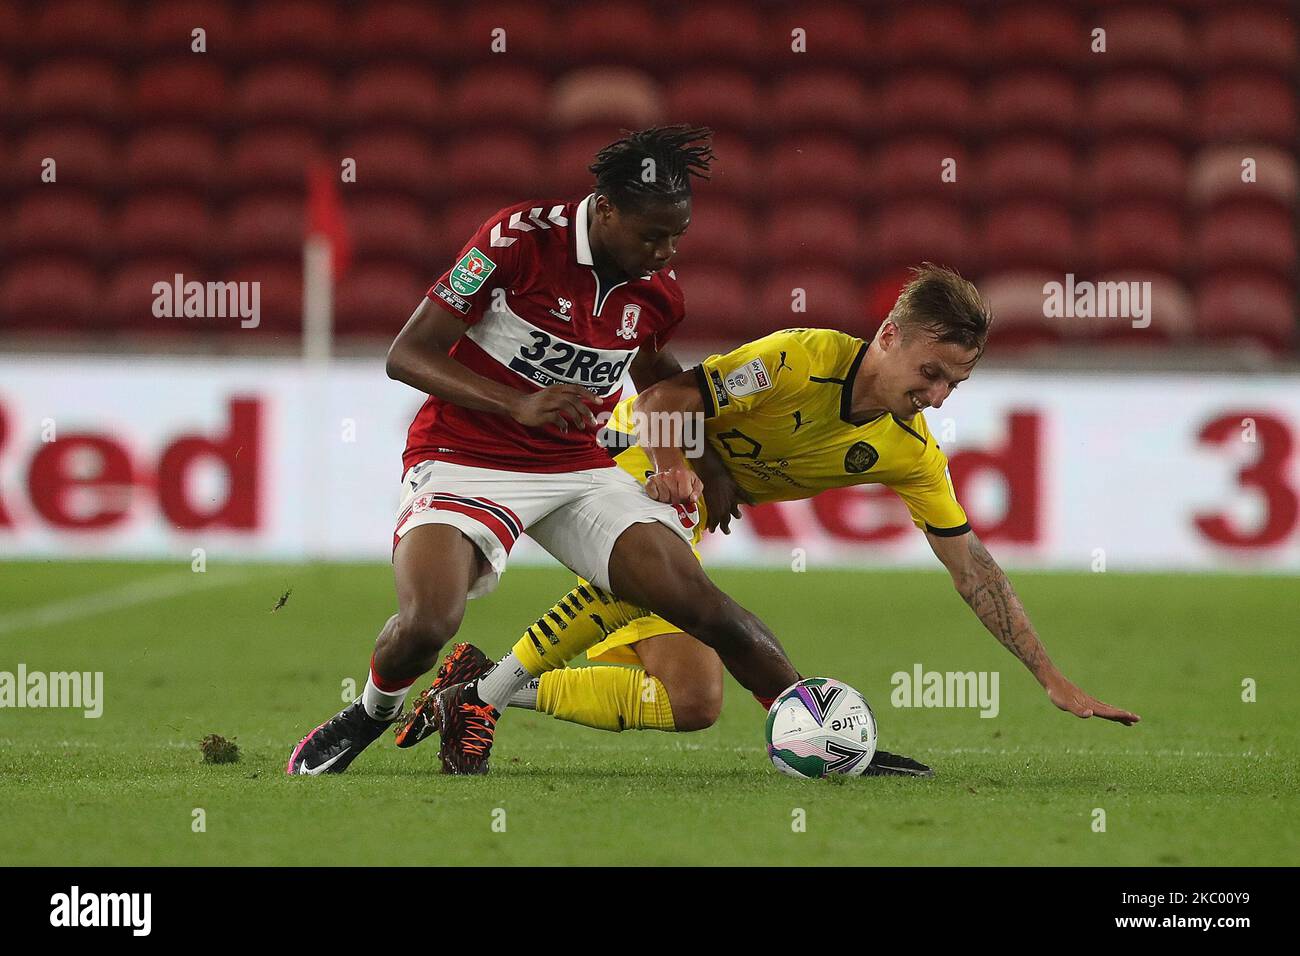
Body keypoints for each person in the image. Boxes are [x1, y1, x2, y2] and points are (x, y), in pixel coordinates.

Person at [397, 265, 1140, 775]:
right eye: (931, 372)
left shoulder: (909, 453)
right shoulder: (799, 359)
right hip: (623, 457)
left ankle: (483, 683)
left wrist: (1050, 676)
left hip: (681, 490)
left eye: (955, 382)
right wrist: (680, 464)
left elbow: (972, 567)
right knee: (647, 565)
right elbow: (663, 399)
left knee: (691, 702)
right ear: (888, 336)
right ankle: (485, 702)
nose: (939, 396)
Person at [287, 126, 803, 776]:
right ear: (606, 209)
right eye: (652, 235)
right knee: (426, 625)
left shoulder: (656, 290)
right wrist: (515, 403)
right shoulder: (518, 241)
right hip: (463, 454)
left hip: (574, 467)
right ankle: (371, 711)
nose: (665, 250)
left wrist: (694, 462)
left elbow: (655, 379)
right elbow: (406, 355)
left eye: (678, 236)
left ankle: (813, 723)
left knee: (703, 604)